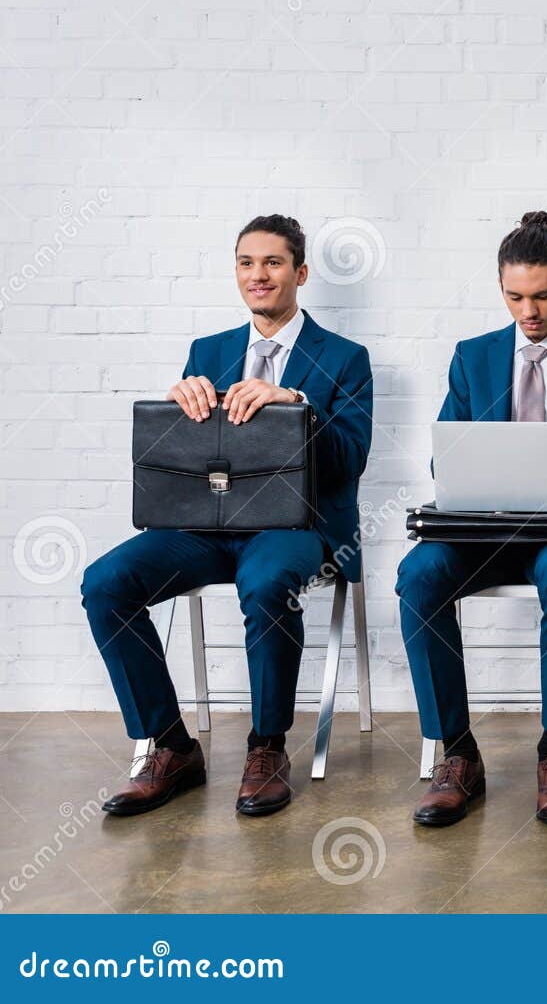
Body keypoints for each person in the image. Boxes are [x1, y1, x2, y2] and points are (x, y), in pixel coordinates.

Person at [82, 214, 374, 817]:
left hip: (297, 527)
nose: (257, 275)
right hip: (207, 528)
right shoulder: (208, 351)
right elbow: (191, 457)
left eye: (272, 262)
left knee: (266, 582)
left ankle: (266, 747)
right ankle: (169, 745)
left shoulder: (345, 358)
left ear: (300, 272)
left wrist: (297, 404)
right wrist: (175, 414)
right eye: (246, 262)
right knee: (104, 583)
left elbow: (351, 462)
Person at [397, 212, 547, 828]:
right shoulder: (473, 357)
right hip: (482, 527)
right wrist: (464, 466)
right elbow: (443, 451)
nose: (527, 311)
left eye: (541, 296)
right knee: (418, 573)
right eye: (514, 297)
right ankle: (457, 754)